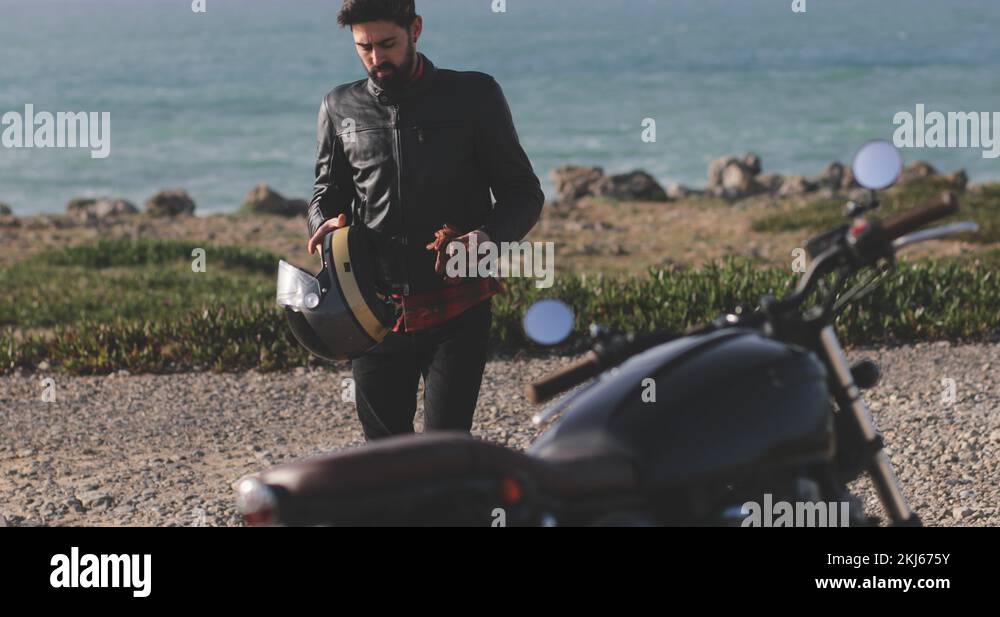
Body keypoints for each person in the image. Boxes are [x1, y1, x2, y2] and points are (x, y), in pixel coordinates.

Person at [306, 0, 544, 440]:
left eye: (387, 44)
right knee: (386, 453)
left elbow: (523, 192)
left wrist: (487, 238)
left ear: (416, 28)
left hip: (458, 304)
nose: (377, 59)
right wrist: (323, 222)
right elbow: (326, 193)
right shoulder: (339, 107)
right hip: (371, 310)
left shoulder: (474, 95)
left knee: (445, 449)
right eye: (364, 47)